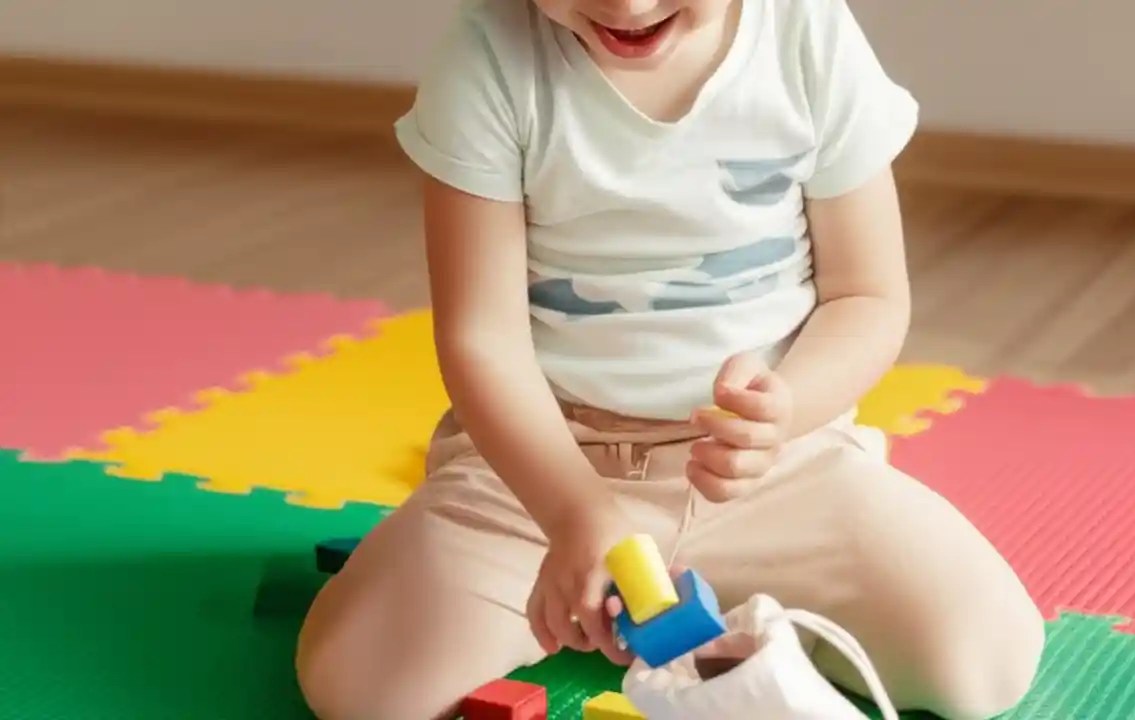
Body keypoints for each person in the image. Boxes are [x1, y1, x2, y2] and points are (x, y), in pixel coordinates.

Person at [294, 0, 1045, 718]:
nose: (628, 6)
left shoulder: (808, 32)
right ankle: (592, 587)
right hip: (542, 471)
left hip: (776, 470)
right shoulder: (489, 54)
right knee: (356, 686)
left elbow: (869, 296)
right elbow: (480, 339)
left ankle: (689, 602)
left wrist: (785, 413)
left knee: (983, 659)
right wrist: (574, 513)